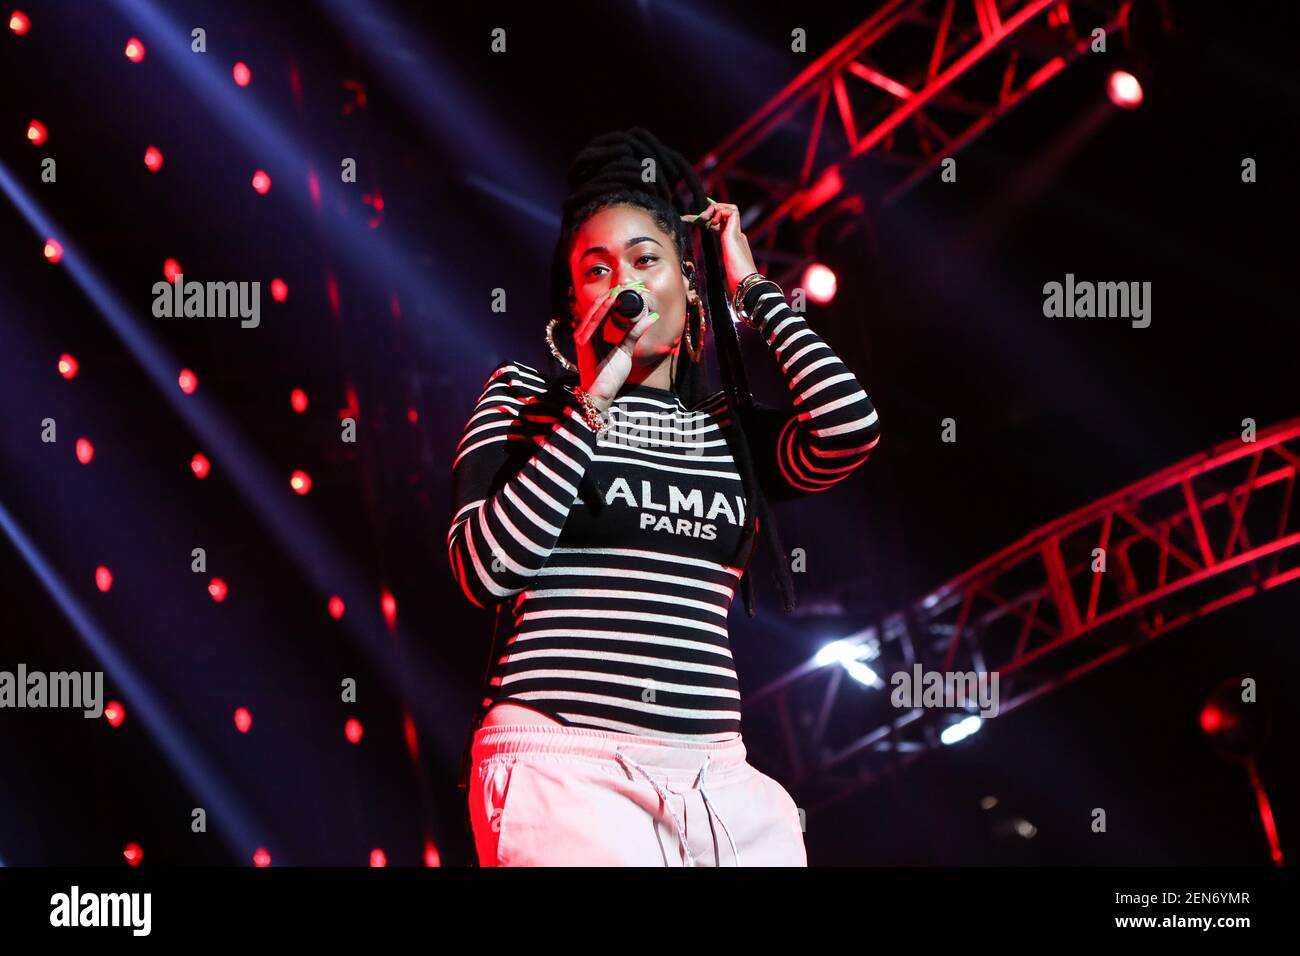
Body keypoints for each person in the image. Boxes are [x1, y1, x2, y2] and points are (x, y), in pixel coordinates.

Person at [447, 127, 881, 866]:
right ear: (573, 299)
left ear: (686, 279)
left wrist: (750, 288)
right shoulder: (524, 401)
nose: (624, 281)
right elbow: (484, 569)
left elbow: (849, 428)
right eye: (596, 270)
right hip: (568, 767)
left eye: (646, 260)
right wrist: (593, 399)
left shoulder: (727, 431)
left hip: (720, 779)